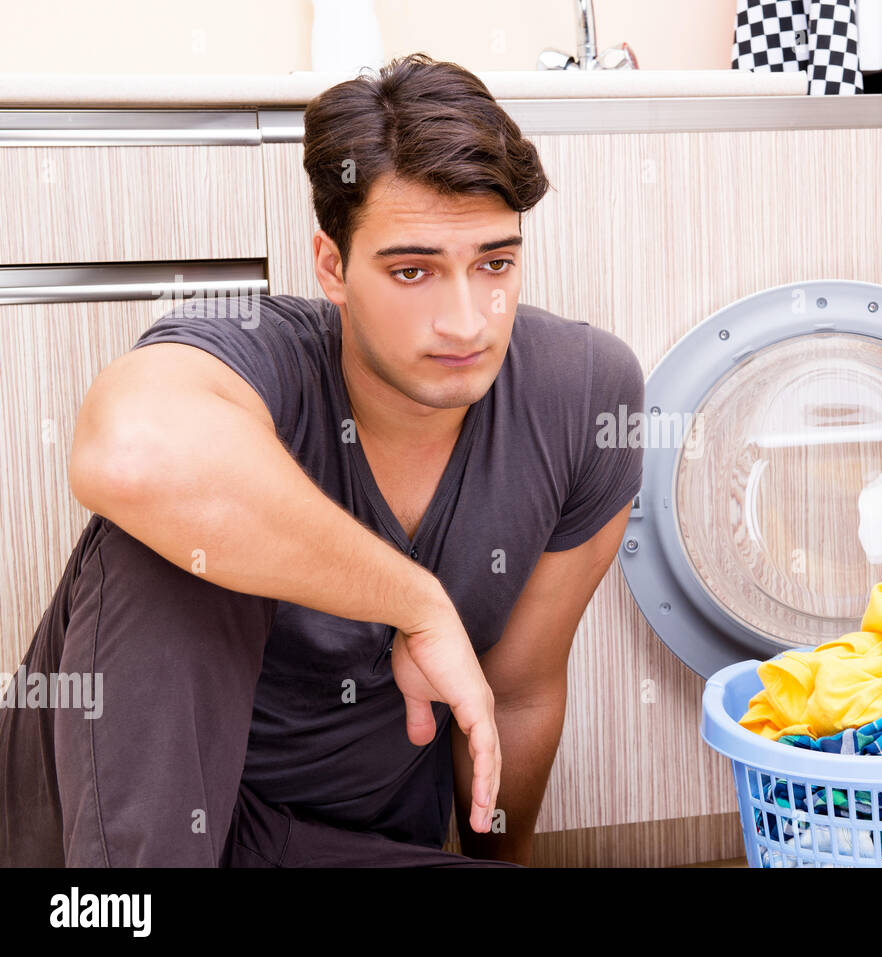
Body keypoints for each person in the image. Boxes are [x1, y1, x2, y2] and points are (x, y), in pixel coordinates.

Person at [0, 53, 644, 867]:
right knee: (169, 529)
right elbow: (129, 454)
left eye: (495, 263)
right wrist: (416, 602)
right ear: (333, 267)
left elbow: (516, 692)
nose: (466, 321)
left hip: (337, 846)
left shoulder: (582, 393)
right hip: (125, 844)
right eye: (413, 270)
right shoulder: (256, 353)